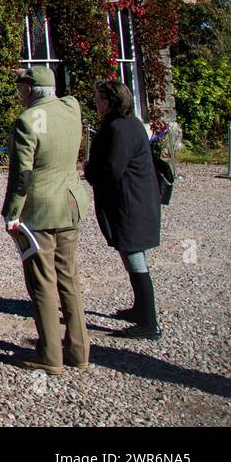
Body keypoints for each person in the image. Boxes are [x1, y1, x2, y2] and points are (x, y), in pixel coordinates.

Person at [2, 66, 89, 374]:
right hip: (70, 203)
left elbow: (22, 175)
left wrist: (11, 212)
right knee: (69, 279)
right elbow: (68, 98)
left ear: (29, 90)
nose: (18, 93)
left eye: (21, 87)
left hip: (40, 209)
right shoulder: (71, 109)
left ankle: (50, 355)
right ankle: (79, 350)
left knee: (42, 282)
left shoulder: (27, 121)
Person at [84, 80, 163, 340]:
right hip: (135, 198)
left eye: (99, 98)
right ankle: (140, 309)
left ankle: (149, 323)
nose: (96, 102)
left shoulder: (119, 128)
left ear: (110, 101)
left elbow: (113, 169)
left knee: (134, 257)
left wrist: (89, 171)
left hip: (131, 203)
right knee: (131, 255)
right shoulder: (131, 123)